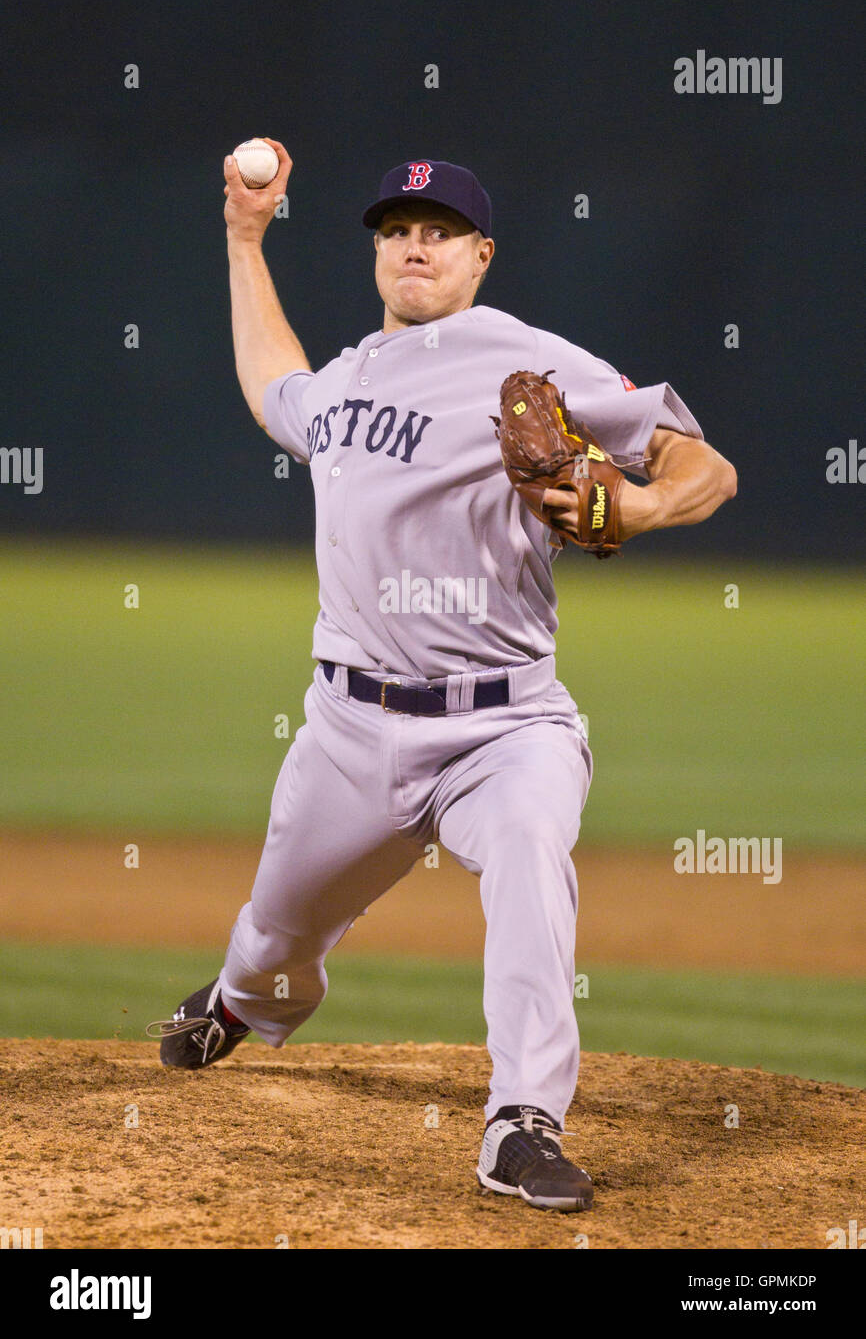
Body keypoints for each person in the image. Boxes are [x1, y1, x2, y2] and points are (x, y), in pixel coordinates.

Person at [147, 147, 736, 1213]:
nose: (412, 244)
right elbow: (271, 386)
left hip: (504, 728)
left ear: (479, 255)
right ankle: (239, 1002)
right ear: (376, 252)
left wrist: (643, 505)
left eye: (437, 229)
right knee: (278, 934)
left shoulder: (524, 356)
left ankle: (521, 1120)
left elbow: (700, 461)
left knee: (524, 851)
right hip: (346, 728)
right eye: (392, 229)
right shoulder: (348, 380)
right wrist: (243, 239)